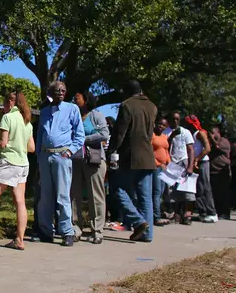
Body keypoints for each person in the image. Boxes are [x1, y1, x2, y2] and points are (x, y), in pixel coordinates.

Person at [107, 80, 157, 243]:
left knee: (116, 188)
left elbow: (120, 132)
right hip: (148, 155)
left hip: (130, 155)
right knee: (145, 196)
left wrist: (112, 150)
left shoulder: (127, 105)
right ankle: (147, 234)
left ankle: (138, 221)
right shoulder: (152, 106)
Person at [35, 81, 85, 246]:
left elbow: (80, 135)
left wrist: (69, 151)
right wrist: (39, 156)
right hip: (45, 156)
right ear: (50, 93)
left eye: (63, 90)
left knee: (63, 195)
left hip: (62, 156)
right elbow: (40, 135)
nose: (60, 92)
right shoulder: (44, 112)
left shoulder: (72, 109)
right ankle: (45, 230)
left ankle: (67, 232)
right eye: (57, 90)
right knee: (45, 196)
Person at [0, 91, 35, 250]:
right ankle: (20, 239)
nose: (4, 107)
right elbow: (31, 148)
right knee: (20, 201)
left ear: (10, 102)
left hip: (8, 162)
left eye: (4, 103)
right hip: (23, 164)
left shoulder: (7, 118)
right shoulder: (27, 121)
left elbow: (3, 142)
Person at [69, 91, 110, 244]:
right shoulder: (73, 116)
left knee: (96, 195)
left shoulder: (96, 115)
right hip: (75, 160)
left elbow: (104, 134)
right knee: (74, 195)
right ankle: (75, 228)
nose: (74, 99)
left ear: (86, 100)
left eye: (77, 97)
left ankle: (97, 230)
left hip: (94, 160)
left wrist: (83, 139)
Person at [182, 115, 217, 223]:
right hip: (196, 162)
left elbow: (207, 148)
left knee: (205, 187)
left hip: (203, 162)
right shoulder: (192, 134)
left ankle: (212, 213)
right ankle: (203, 212)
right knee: (198, 189)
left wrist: (197, 159)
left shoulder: (200, 133)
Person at [164, 111, 196, 224]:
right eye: (173, 119)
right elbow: (164, 146)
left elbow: (190, 149)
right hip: (171, 162)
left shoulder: (185, 132)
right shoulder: (166, 132)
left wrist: (190, 165)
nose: (175, 121)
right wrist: (171, 136)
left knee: (186, 190)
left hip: (183, 160)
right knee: (171, 190)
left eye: (177, 119)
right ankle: (176, 213)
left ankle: (187, 214)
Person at [151, 118, 172, 226]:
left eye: (163, 125)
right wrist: (159, 164)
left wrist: (169, 162)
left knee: (162, 191)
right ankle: (156, 216)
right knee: (157, 191)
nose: (161, 126)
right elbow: (149, 151)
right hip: (156, 167)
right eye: (159, 124)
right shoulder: (152, 136)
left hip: (165, 168)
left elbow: (166, 150)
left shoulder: (164, 137)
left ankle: (158, 213)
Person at [209, 125, 232, 220]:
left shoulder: (224, 141)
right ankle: (217, 212)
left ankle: (225, 213)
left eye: (213, 133)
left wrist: (211, 138)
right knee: (214, 194)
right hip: (213, 171)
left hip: (222, 172)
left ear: (218, 133)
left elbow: (217, 147)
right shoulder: (211, 143)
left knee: (223, 194)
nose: (212, 135)